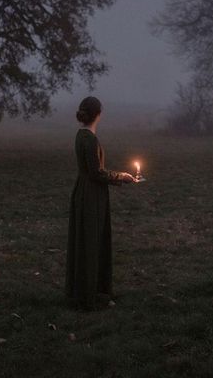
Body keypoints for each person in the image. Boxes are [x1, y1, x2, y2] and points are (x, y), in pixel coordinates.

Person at [65, 96, 137, 311]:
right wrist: (121, 176)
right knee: (91, 242)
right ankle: (90, 296)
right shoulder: (89, 139)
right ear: (99, 114)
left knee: (85, 241)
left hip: (83, 191)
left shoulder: (81, 135)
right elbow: (96, 172)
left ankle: (85, 291)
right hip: (92, 195)